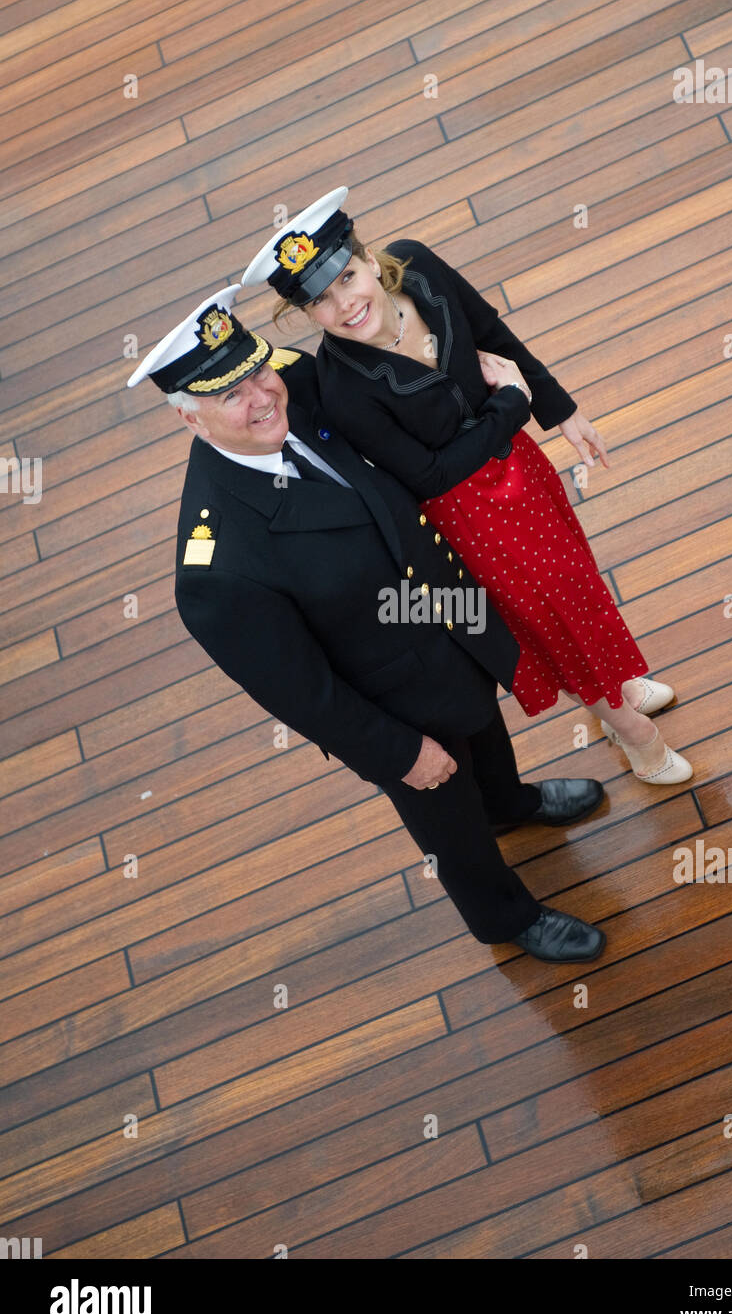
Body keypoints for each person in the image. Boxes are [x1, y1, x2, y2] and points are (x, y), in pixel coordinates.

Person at [126, 286, 609, 963]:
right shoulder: (217, 568)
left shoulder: (295, 381)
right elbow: (303, 695)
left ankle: (508, 802)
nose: (263, 397)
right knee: (445, 811)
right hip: (395, 703)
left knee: (483, 725)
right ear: (190, 420)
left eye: (256, 372)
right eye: (230, 396)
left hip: (444, 614)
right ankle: (505, 917)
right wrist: (397, 755)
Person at [242, 189, 693, 786]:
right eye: (322, 302)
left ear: (370, 261)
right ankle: (635, 733)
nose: (346, 306)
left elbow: (491, 331)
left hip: (523, 472)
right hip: (472, 512)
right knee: (550, 615)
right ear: (305, 315)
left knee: (575, 586)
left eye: (348, 278)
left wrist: (559, 411)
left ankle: (613, 683)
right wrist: (509, 408)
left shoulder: (419, 265)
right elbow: (429, 475)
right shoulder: (344, 389)